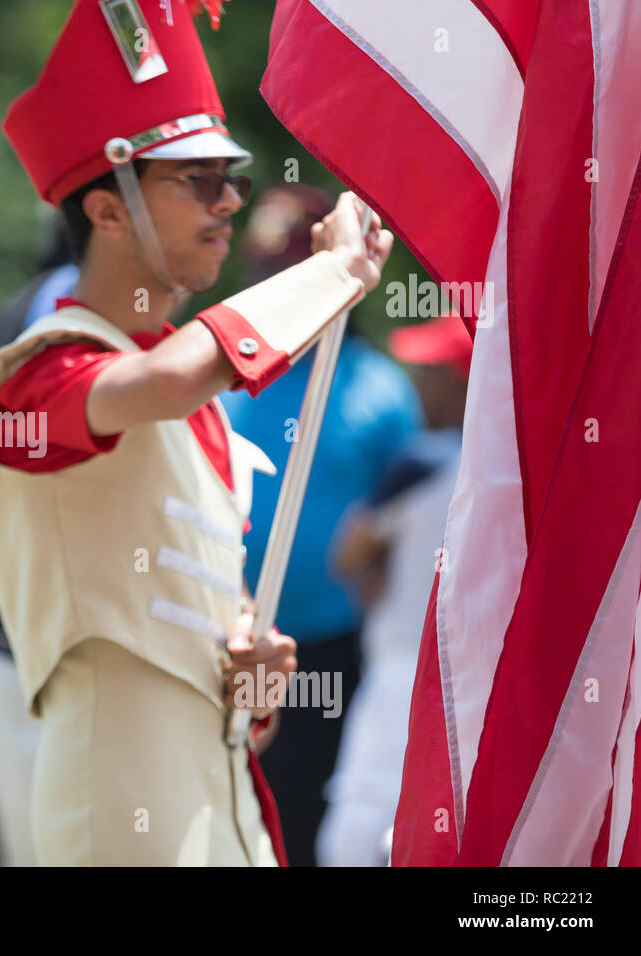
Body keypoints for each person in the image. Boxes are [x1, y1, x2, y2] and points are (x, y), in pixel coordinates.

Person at [0, 0, 392, 866]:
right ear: (105, 210)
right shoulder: (40, 369)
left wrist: (252, 677)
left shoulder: (204, 410)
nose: (228, 203)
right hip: (116, 785)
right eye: (198, 179)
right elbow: (170, 380)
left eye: (234, 179)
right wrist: (331, 275)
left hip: (220, 792)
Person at [219, 185, 423, 865]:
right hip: (224, 645)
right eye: (263, 272)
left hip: (339, 651)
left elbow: (405, 529)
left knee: (317, 825)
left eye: (289, 274)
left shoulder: (380, 389)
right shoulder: (216, 382)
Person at [317, 313, 470, 866]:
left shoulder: (421, 460)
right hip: (475, 679)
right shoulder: (517, 463)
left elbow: (345, 554)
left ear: (459, 380)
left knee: (356, 832)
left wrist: (375, 561)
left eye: (430, 372)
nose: (419, 386)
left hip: (403, 668)